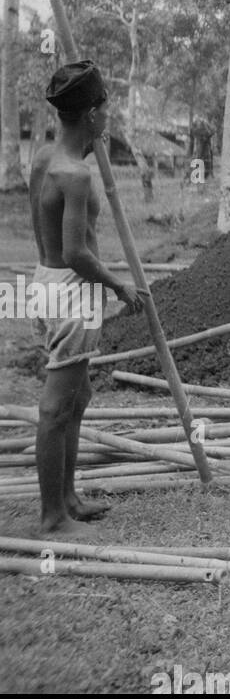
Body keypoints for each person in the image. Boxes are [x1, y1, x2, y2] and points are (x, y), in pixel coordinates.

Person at [28, 61, 142, 534]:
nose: (108, 120)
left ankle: (69, 497)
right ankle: (53, 515)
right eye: (105, 110)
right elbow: (76, 252)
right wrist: (119, 287)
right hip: (71, 293)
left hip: (42, 281)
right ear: (92, 114)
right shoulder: (75, 175)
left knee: (78, 396)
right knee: (56, 407)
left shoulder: (41, 160)